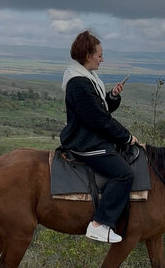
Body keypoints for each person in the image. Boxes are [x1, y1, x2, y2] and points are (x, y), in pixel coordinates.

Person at [59, 31, 138, 244]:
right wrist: (127, 137)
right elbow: (99, 121)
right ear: (87, 55)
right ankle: (100, 224)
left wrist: (112, 96)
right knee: (123, 174)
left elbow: (98, 109)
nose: (102, 59)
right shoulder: (78, 83)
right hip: (84, 141)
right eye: (99, 55)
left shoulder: (87, 78)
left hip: (90, 136)